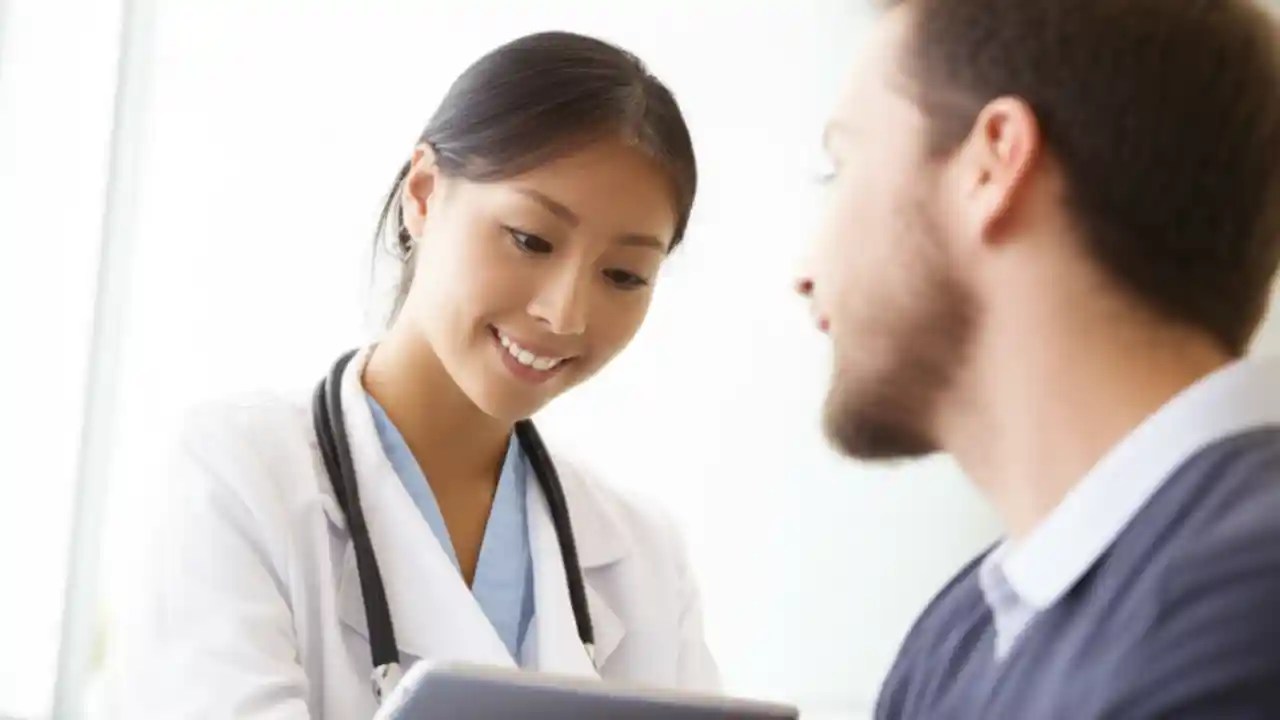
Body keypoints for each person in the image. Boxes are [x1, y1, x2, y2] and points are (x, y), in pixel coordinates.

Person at [123, 31, 717, 718]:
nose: (565, 314)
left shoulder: (645, 559)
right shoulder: (241, 472)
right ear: (425, 195)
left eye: (623, 275)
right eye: (530, 239)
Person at [795, 0, 1280, 716]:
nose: (805, 271)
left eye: (839, 168)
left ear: (994, 161)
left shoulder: (1245, 611)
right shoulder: (962, 632)